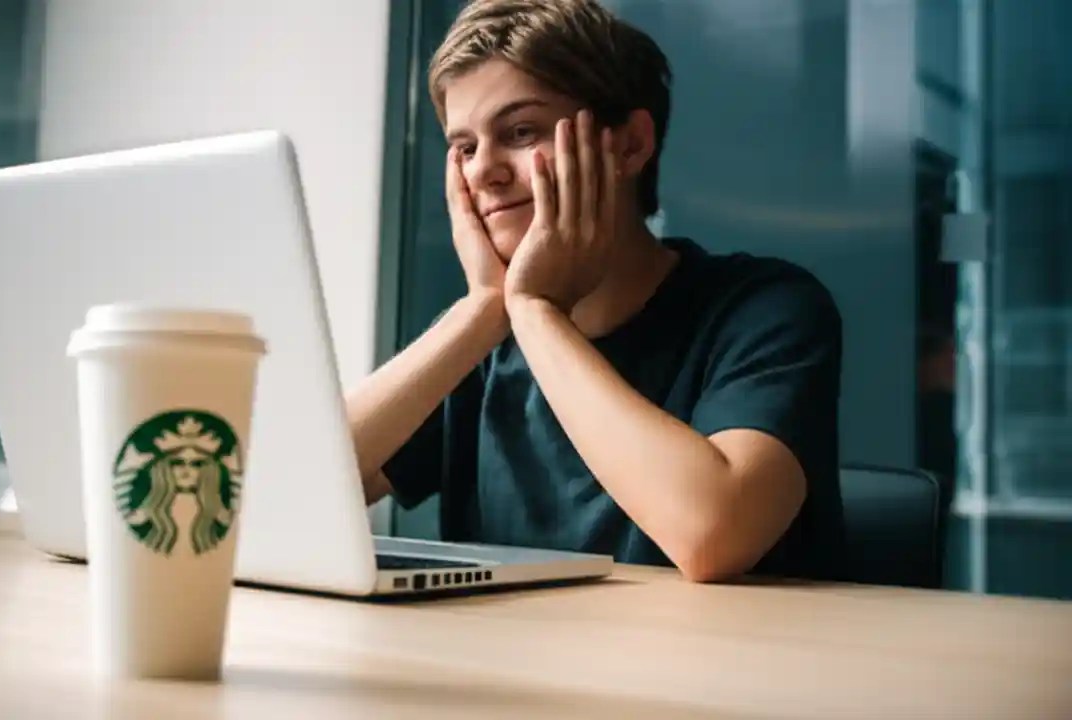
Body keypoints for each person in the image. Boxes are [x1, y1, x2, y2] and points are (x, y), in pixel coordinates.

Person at [346, 0, 845, 582]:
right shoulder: (480, 343)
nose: (483, 172)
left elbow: (713, 534)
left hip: (715, 669)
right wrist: (483, 310)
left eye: (521, 131)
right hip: (513, 667)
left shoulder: (766, 307)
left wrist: (535, 311)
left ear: (630, 145)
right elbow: (274, 489)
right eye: (464, 147)